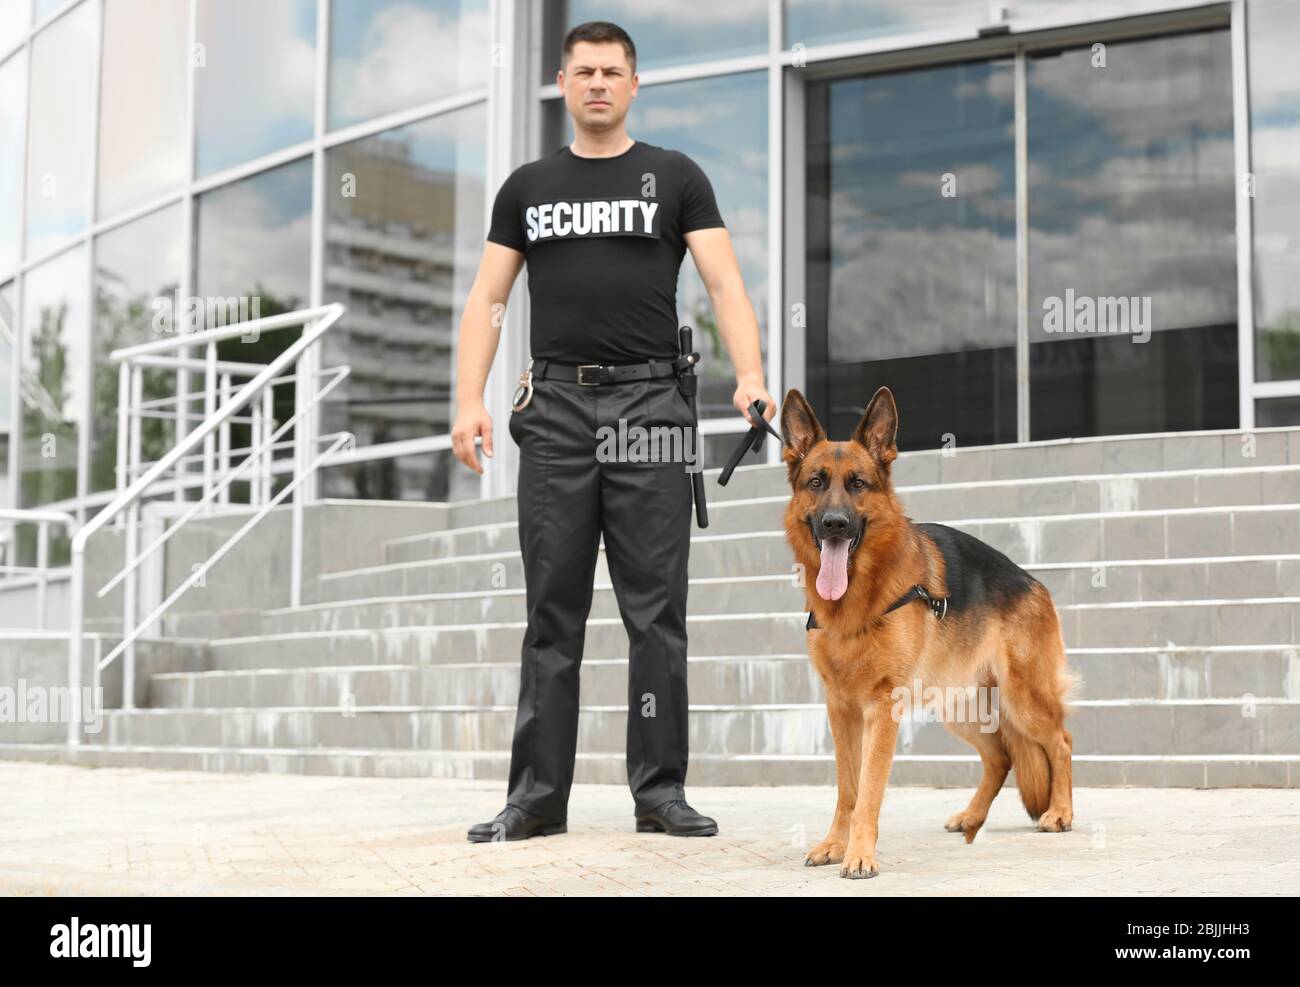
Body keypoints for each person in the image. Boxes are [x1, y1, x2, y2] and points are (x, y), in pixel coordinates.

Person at [451, 20, 776, 842]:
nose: (598, 83)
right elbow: (488, 299)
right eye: (584, 71)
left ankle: (660, 791)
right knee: (551, 612)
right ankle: (535, 797)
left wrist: (750, 375)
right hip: (556, 411)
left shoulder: (676, 177)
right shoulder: (526, 188)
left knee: (657, 612)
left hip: (652, 411)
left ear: (635, 85)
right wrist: (469, 397)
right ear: (563, 83)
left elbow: (725, 280)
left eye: (612, 71)